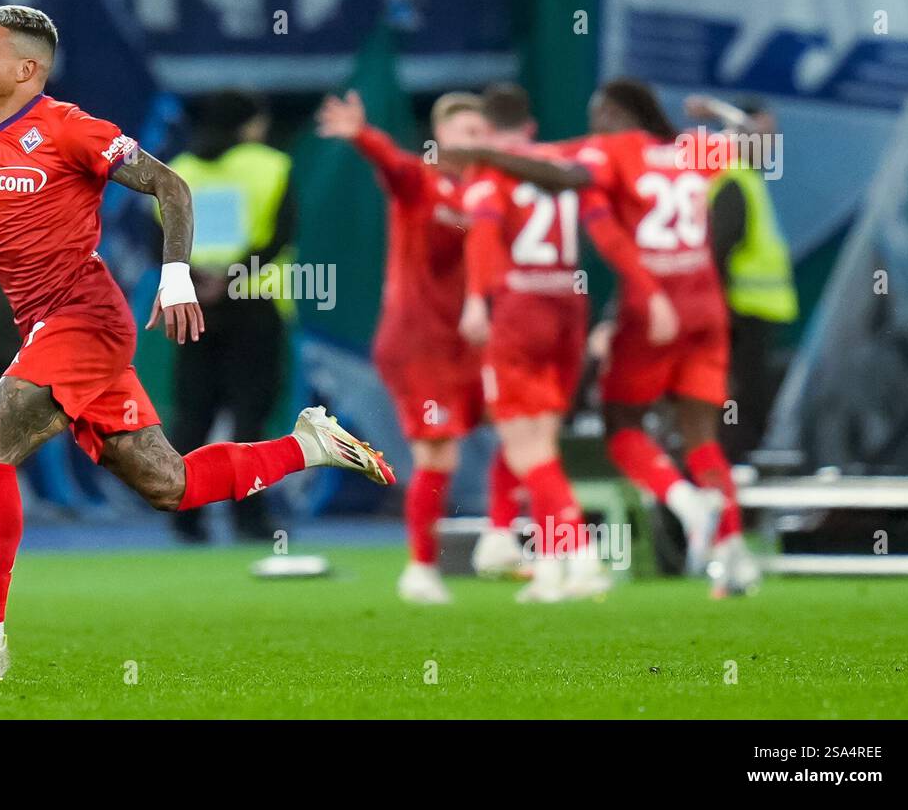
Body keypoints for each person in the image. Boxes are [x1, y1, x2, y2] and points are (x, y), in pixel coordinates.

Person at [0, 0, 393, 680]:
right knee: (172, 485)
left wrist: (174, 278)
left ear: (26, 70)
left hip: (85, 316)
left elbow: (172, 188)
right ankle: (310, 445)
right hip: (47, 325)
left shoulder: (70, 127)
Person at [444, 79, 760, 598]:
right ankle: (733, 557)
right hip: (705, 307)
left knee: (617, 425)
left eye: (597, 115)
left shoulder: (608, 151)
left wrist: (485, 155)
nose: (592, 126)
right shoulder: (686, 150)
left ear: (614, 114)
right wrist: (721, 112)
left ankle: (673, 510)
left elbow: (567, 179)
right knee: (702, 436)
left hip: (642, 306)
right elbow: (750, 139)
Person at [458, 83, 638, 601]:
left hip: (518, 309)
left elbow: (486, 235)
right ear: (531, 126)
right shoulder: (560, 156)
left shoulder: (493, 170)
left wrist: (475, 300)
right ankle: (550, 567)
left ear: (488, 131)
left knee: (525, 447)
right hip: (567, 306)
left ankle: (580, 558)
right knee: (541, 446)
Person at [316, 89, 491, 604]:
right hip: (418, 343)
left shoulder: (493, 192)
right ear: (441, 139)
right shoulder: (423, 182)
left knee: (525, 429)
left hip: (471, 342)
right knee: (438, 453)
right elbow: (394, 167)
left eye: (482, 133)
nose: (475, 142)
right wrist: (364, 136)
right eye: (464, 132)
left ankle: (509, 542)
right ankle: (420, 569)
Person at [164, 91, 294, 544]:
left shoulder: (177, 169)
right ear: (249, 124)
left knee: (192, 416)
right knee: (250, 418)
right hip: (254, 305)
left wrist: (196, 279)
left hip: (191, 305)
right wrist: (232, 277)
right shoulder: (271, 166)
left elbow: (154, 236)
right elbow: (281, 234)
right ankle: (250, 519)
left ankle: (184, 516)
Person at [689, 96, 798, 464]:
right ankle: (729, 470)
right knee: (737, 399)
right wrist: (717, 312)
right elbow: (716, 251)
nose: (769, 142)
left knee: (748, 398)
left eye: (772, 134)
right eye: (761, 133)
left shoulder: (746, 179)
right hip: (738, 312)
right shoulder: (733, 180)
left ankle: (735, 465)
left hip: (751, 313)